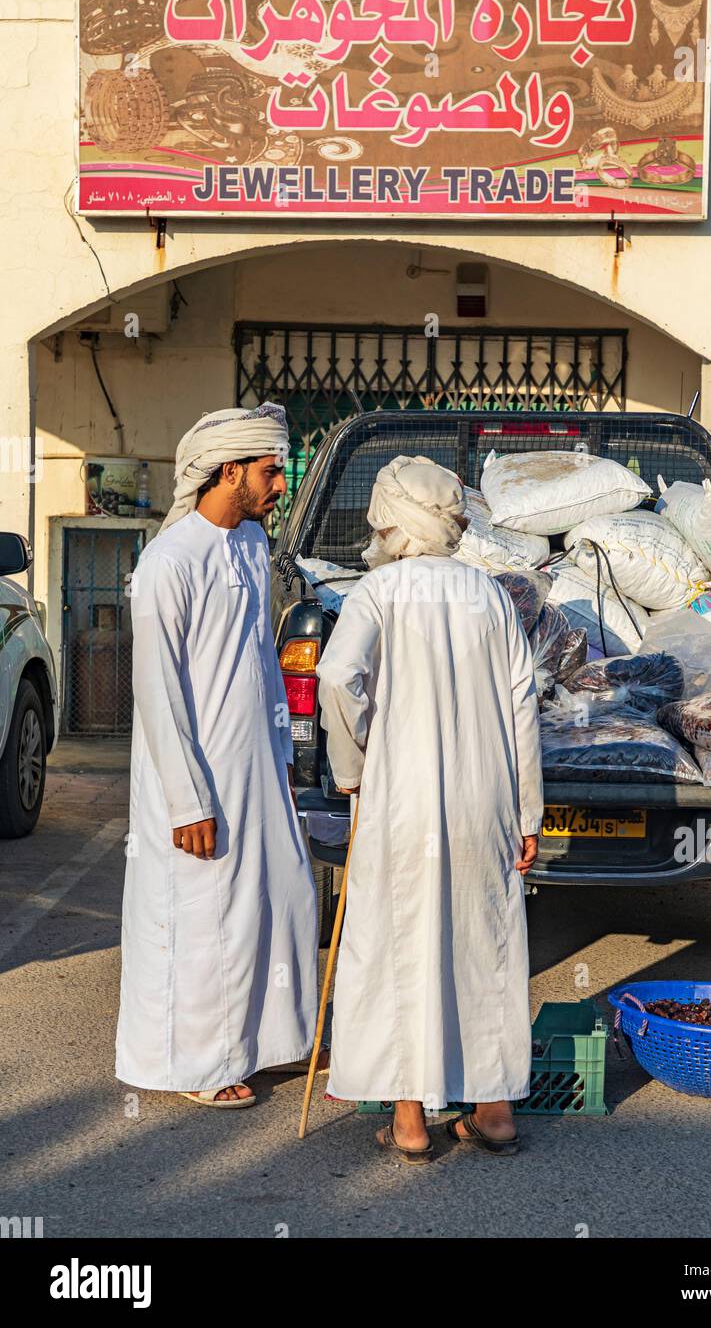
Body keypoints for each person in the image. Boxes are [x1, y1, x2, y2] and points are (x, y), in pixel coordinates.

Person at [316, 455, 543, 1160]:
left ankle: (410, 1123)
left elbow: (335, 677)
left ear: (394, 522)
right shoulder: (489, 596)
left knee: (398, 948)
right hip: (486, 801)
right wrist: (529, 813)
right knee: (485, 949)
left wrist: (351, 768)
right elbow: (522, 708)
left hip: (400, 803)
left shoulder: (375, 594)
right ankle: (494, 1112)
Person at [115, 403, 319, 1108]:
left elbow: (260, 666)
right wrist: (187, 800)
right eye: (271, 472)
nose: (280, 486)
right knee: (206, 916)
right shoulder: (169, 561)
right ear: (229, 471)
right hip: (195, 776)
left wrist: (282, 763)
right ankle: (199, 1065)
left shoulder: (252, 548)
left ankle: (266, 1043)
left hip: (257, 766)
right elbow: (157, 690)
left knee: (279, 897)